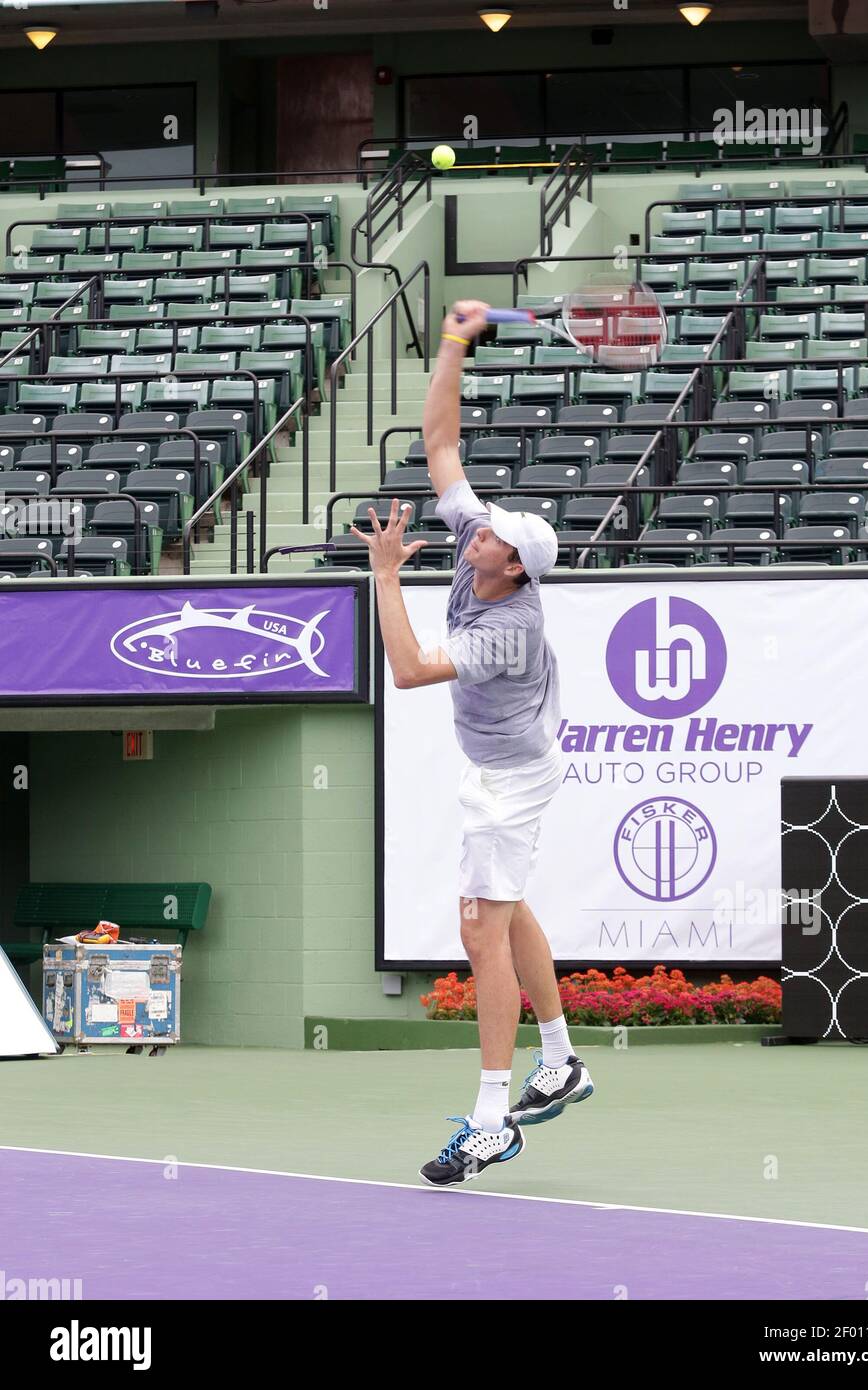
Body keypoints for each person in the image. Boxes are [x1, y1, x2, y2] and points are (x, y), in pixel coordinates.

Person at [352, 300, 594, 1187]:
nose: (474, 530)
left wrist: (385, 576)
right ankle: (560, 1057)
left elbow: (411, 670)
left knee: (478, 927)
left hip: (513, 777)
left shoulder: (511, 628)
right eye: (483, 527)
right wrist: (456, 339)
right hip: (504, 766)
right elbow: (441, 442)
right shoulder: (476, 548)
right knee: (506, 905)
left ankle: (494, 1116)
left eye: (491, 536)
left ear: (514, 568)